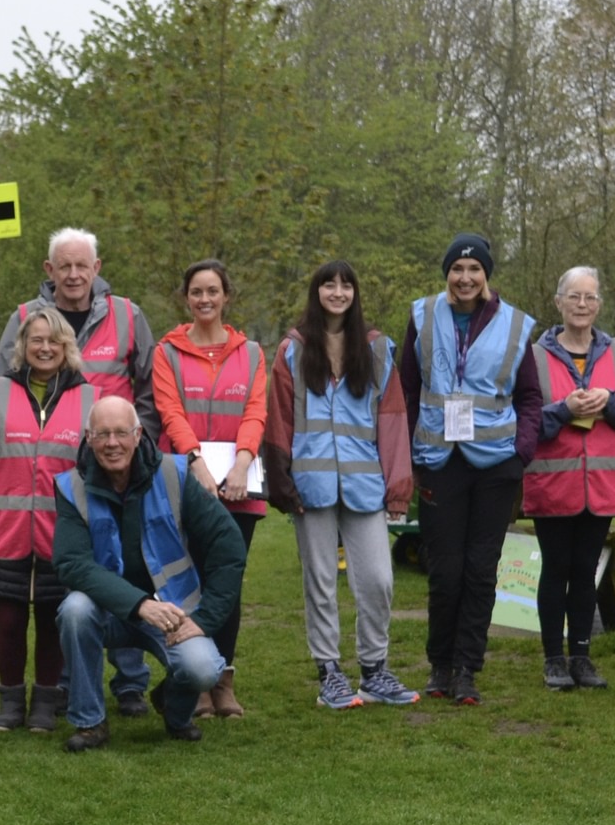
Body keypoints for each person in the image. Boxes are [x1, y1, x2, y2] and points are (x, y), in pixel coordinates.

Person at [0, 226, 160, 716]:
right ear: (50, 270)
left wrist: (137, 451)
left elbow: (148, 389)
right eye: (65, 265)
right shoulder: (24, 317)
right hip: (48, 480)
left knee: (121, 570)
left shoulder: (127, 314)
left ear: (96, 269)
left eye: (83, 265)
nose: (75, 274)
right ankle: (56, 689)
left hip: (121, 470)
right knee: (64, 588)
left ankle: (128, 684)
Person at [51, 397, 245, 751]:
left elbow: (228, 544)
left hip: (172, 610)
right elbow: (71, 563)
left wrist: (204, 618)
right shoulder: (71, 486)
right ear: (88, 437)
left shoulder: (175, 474)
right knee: (75, 610)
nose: (112, 443)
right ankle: (90, 722)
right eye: (103, 434)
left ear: (138, 435)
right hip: (108, 609)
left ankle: (175, 710)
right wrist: (140, 605)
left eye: (121, 433)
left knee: (204, 668)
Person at [267, 260, 419, 709]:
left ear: (355, 293)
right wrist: (282, 480)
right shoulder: (292, 349)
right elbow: (279, 417)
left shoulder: (376, 349)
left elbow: (392, 421)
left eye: (345, 285)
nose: (337, 292)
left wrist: (398, 487)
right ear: (316, 292)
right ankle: (329, 672)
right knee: (320, 580)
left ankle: (374, 670)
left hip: (365, 485)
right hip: (310, 486)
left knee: (377, 578)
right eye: (328, 285)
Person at [399, 232, 542, 706]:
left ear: (486, 275)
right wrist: (407, 455)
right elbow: (406, 392)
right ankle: (439, 664)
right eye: (457, 270)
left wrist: (521, 451)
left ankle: (466, 669)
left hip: (495, 464)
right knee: (445, 570)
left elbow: (529, 398)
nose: (465, 278)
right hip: (439, 461)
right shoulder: (421, 316)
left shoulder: (516, 324)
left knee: (482, 570)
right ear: (447, 274)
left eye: (474, 270)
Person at [0, 310, 93, 733]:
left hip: (63, 532)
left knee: (55, 619)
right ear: (23, 346)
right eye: (36, 340)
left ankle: (45, 704)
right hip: (4, 528)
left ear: (67, 346)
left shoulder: (90, 398)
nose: (45, 348)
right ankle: (11, 701)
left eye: (54, 341)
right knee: (9, 618)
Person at [152, 258, 266, 716]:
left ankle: (224, 679)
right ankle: (193, 677)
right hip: (183, 480)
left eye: (212, 291)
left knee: (227, 583)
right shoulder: (167, 351)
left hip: (240, 485)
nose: (204, 299)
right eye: (196, 292)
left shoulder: (252, 353)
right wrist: (196, 462)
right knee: (186, 580)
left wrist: (241, 465)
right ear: (186, 298)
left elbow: (255, 410)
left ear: (226, 296)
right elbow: (170, 410)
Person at [525, 267, 615, 691]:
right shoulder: (535, 355)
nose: (582, 305)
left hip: (601, 483)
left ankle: (582, 657)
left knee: (585, 571)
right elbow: (525, 423)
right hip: (553, 482)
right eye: (573, 297)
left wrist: (609, 400)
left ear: (599, 304)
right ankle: (553, 660)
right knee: (556, 569)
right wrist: (563, 408)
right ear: (558, 302)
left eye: (589, 297)